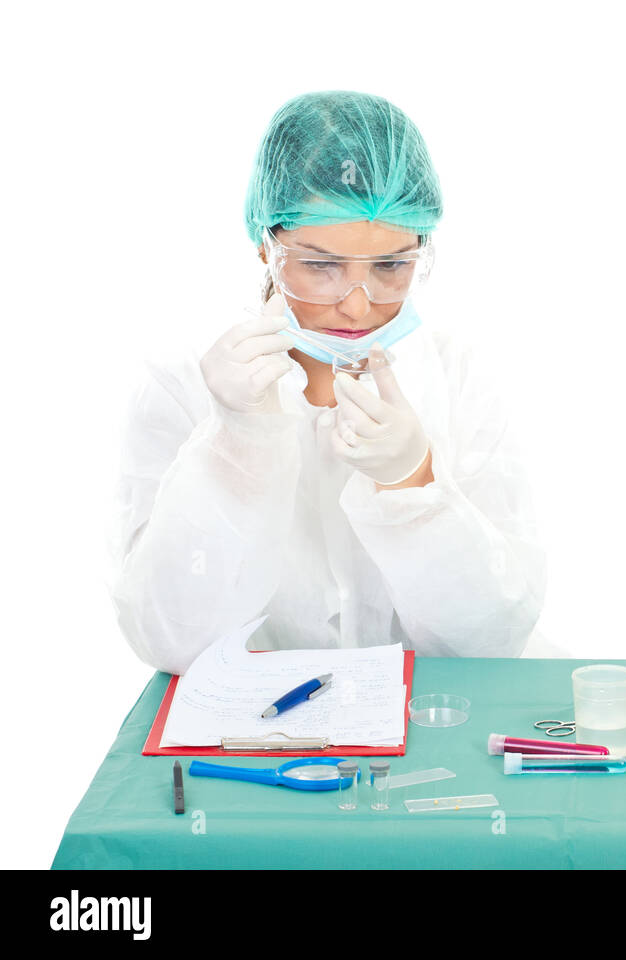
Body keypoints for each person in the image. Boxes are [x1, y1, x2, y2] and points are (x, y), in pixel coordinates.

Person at [111, 91, 545, 675]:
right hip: (248, 732)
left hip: (429, 728)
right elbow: (172, 642)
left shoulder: (460, 375)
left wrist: (413, 482)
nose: (360, 303)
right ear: (264, 245)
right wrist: (238, 445)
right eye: (320, 265)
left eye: (392, 265)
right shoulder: (179, 384)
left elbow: (492, 642)